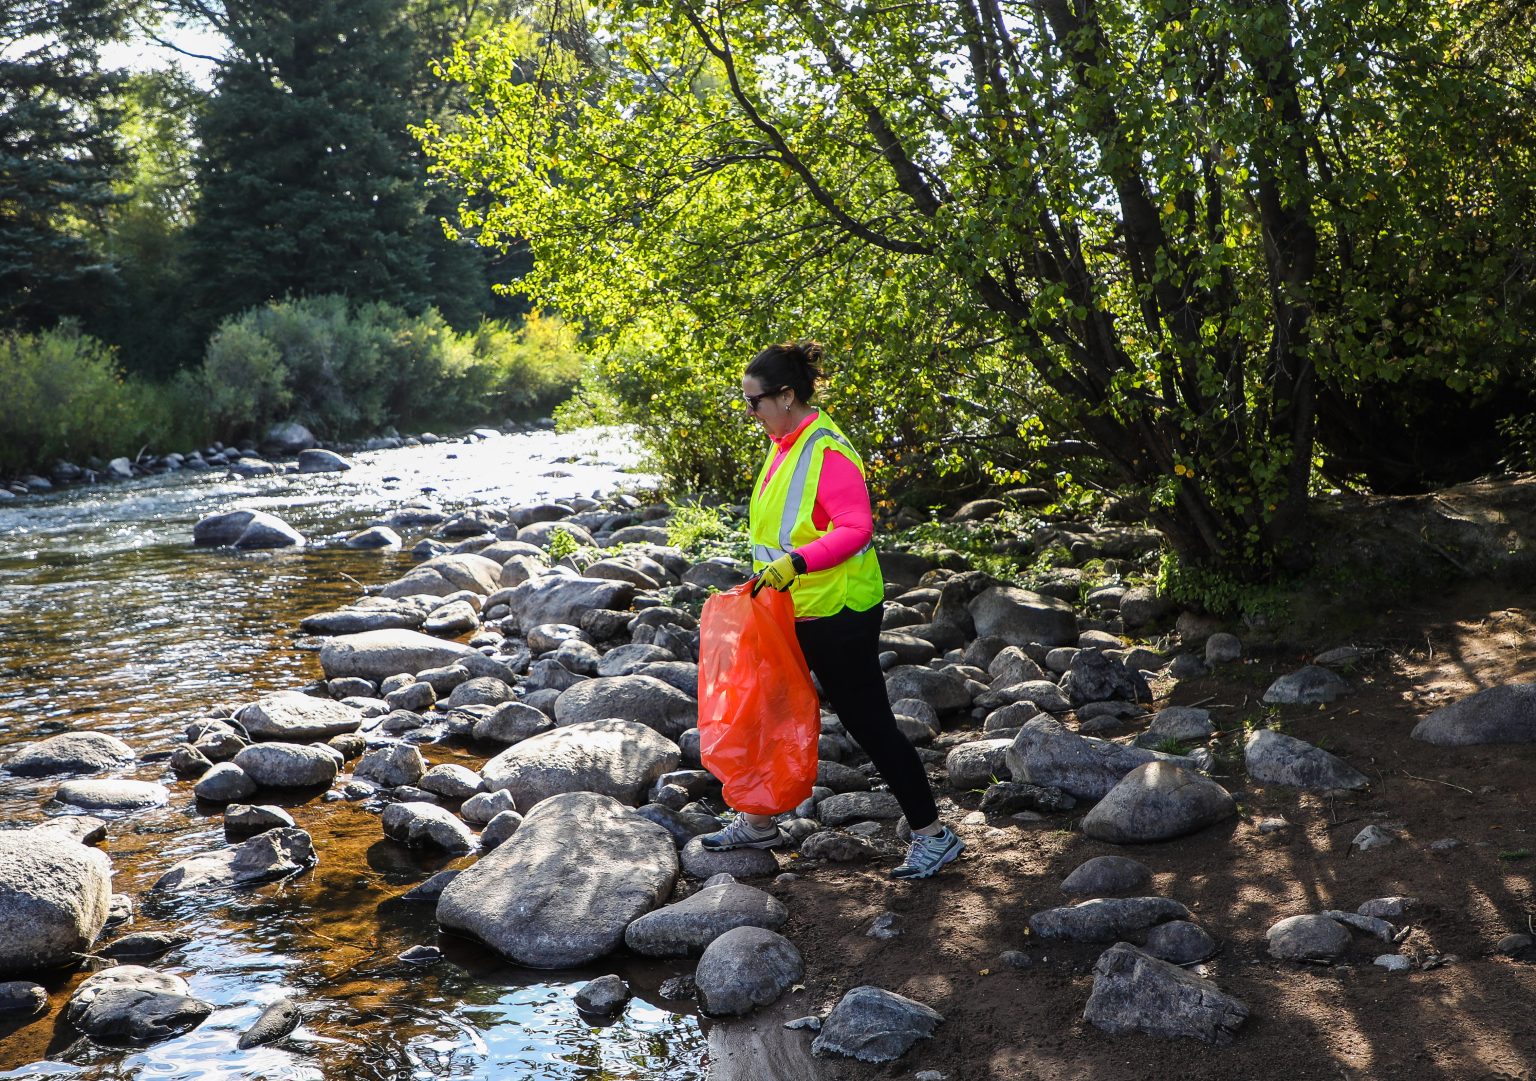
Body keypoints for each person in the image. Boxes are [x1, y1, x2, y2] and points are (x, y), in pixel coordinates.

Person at [699, 339, 964, 880]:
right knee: (768, 709)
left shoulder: (827, 451)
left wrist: (795, 564)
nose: (750, 413)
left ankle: (933, 836)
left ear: (787, 395)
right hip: (788, 608)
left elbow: (856, 529)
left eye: (754, 402)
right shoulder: (785, 441)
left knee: (869, 724)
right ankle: (758, 821)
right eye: (746, 402)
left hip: (838, 611)